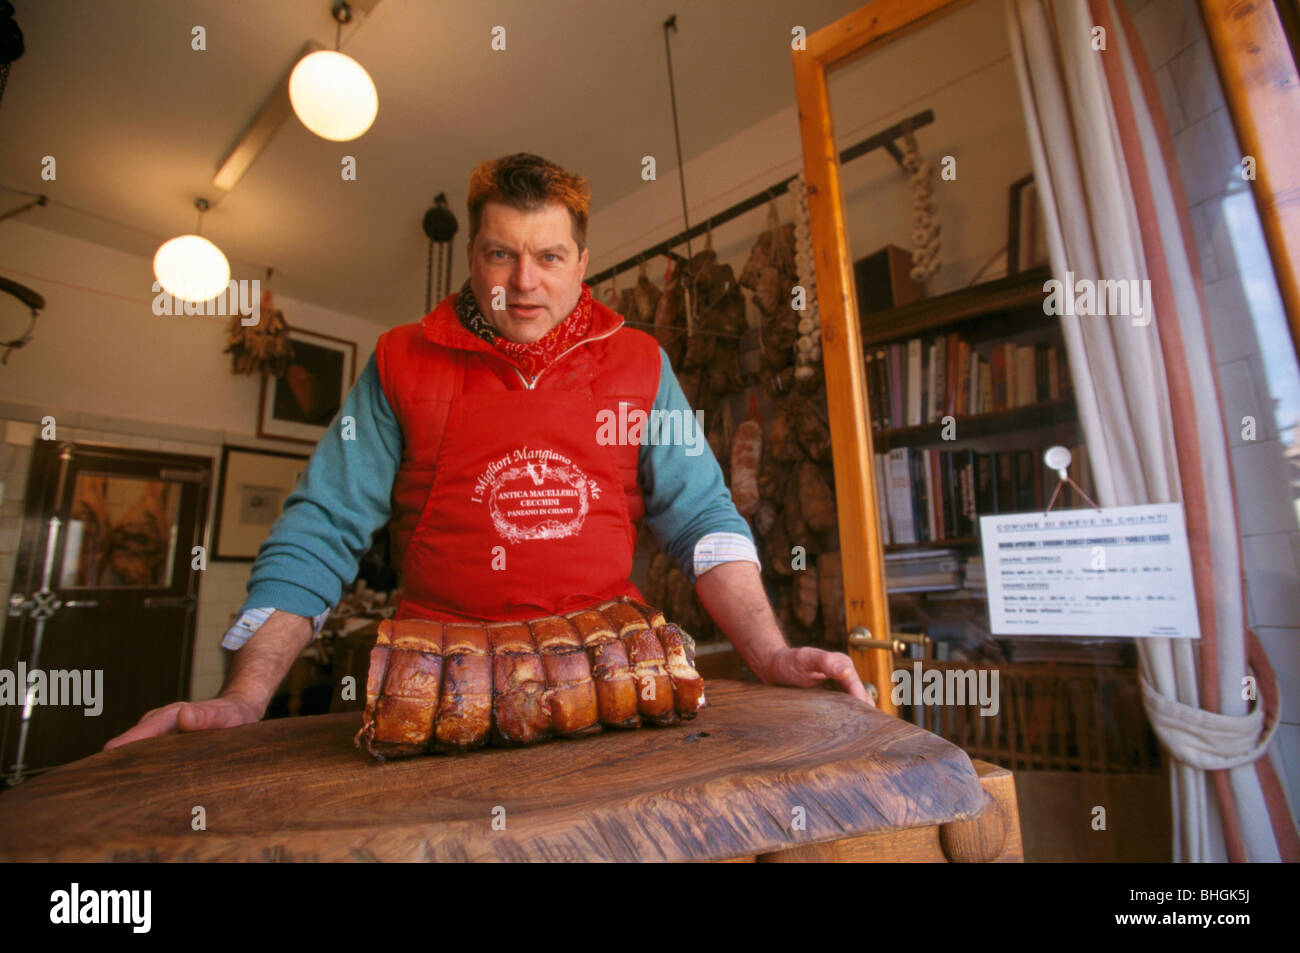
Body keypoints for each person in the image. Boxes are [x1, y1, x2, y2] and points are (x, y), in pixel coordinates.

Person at [105, 153, 871, 750]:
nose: (525, 283)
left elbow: (702, 515)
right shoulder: (401, 360)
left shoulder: (642, 363)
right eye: (501, 255)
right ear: (473, 254)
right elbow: (320, 528)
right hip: (437, 682)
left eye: (549, 256)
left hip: (610, 672)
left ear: (583, 261)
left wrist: (770, 653)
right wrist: (245, 696)